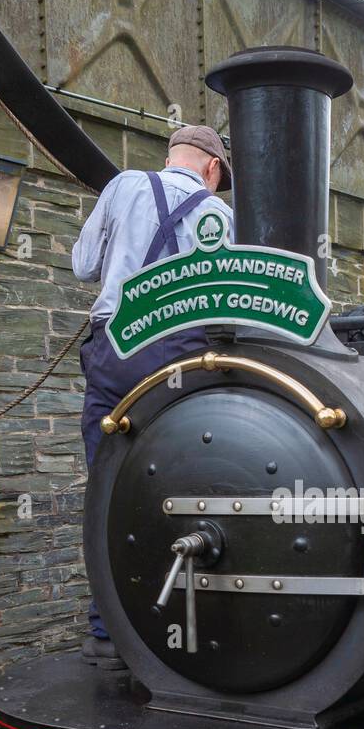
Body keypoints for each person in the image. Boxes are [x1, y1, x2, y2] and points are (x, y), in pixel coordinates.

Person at [72, 125, 233, 664]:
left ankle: (106, 631)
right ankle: (180, 622)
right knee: (187, 479)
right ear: (212, 169)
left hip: (114, 347)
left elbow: (82, 265)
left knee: (106, 482)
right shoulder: (220, 216)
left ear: (171, 158)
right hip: (180, 351)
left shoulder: (124, 186)